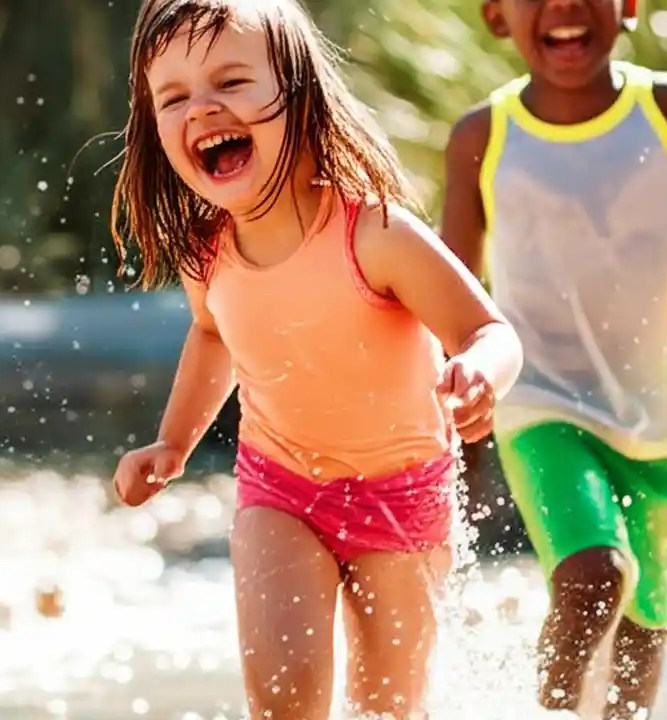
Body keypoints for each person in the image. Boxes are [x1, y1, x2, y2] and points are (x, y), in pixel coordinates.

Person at [107, 1, 524, 717]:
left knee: (387, 707)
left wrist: (481, 375)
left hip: (401, 498)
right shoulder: (207, 251)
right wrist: (173, 442)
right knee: (283, 700)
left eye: (232, 83)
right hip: (281, 489)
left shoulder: (375, 232)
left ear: (301, 95)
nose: (203, 109)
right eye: (174, 98)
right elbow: (213, 335)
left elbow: (489, 329)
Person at [439, 0, 667, 716]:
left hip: (661, 415)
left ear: (630, 7)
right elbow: (446, 294)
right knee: (593, 576)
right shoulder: (483, 137)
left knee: (644, 624)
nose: (563, 7)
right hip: (540, 404)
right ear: (496, 15)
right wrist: (452, 423)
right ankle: (549, 713)